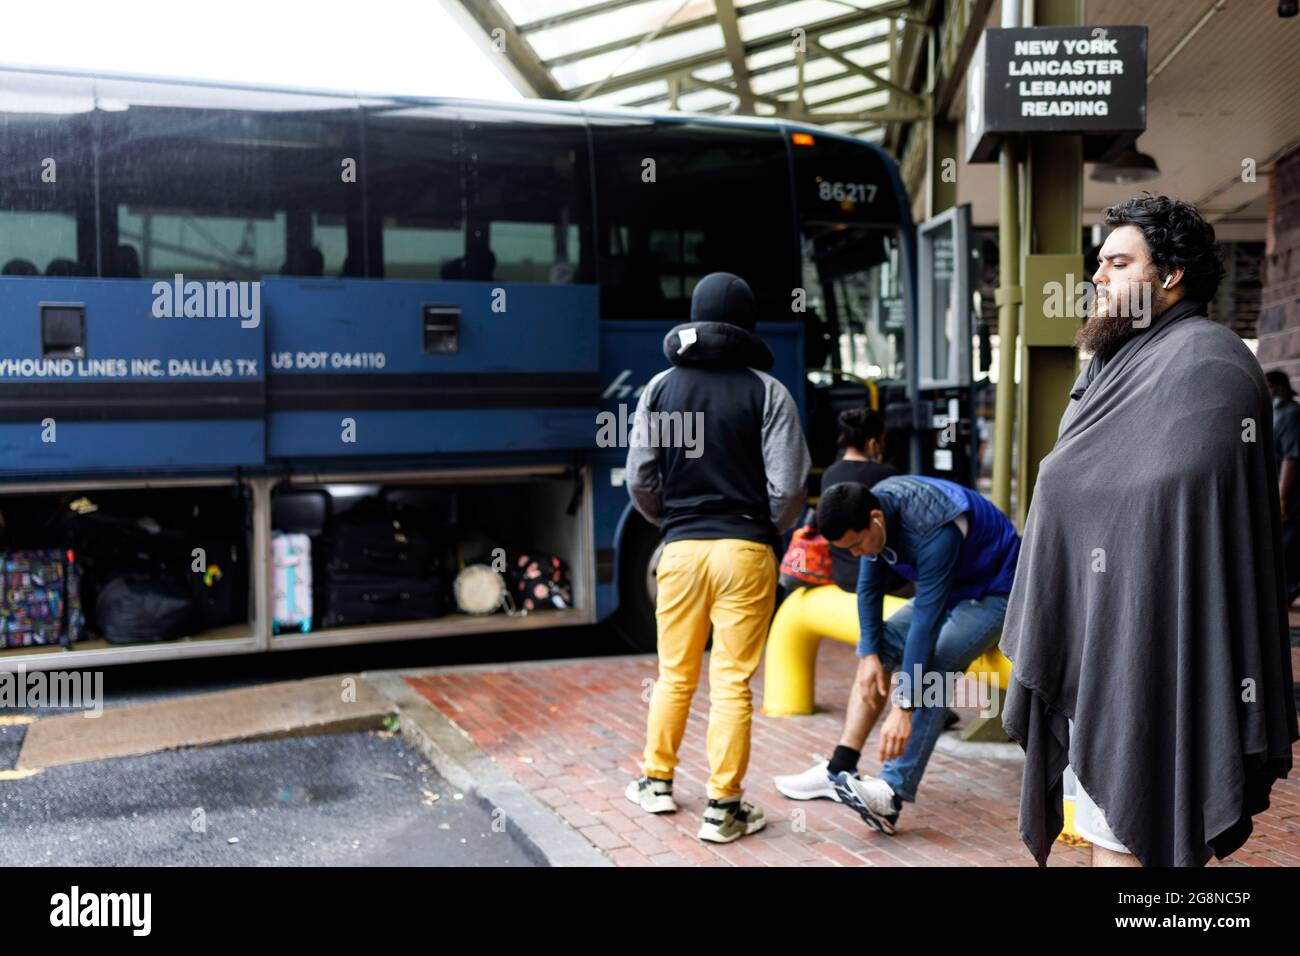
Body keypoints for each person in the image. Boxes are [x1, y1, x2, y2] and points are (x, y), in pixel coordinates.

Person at [1001, 194, 1298, 867]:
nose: (1097, 277)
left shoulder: (1210, 364)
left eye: (1116, 262)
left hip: (1158, 645)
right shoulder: (1114, 363)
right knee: (1097, 825)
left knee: (1125, 836)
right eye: (1097, 263)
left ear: (1170, 275)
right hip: (1094, 630)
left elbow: (1179, 505)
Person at [624, 271, 811, 844]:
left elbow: (640, 477)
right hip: (745, 549)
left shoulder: (660, 388)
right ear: (748, 325)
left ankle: (656, 782)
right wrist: (762, 528)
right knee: (731, 683)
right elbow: (788, 488)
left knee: (673, 675)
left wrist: (671, 522)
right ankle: (722, 809)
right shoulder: (767, 392)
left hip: (679, 550)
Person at [774, 475, 1020, 835]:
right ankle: (839, 768)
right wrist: (869, 653)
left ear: (876, 518)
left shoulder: (936, 529)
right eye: (850, 550)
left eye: (858, 545)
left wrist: (904, 706)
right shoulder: (873, 517)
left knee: (937, 666)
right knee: (882, 644)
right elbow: (868, 587)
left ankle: (890, 795)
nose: (858, 554)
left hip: (995, 591)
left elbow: (927, 622)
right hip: (951, 586)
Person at [820, 407, 896, 593]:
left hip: (842, 578)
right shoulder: (886, 474)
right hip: (885, 583)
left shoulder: (829, 474)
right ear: (872, 443)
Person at [1266, 369, 1300, 604]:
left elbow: (1291, 458)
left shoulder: (1291, 415)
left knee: (1288, 546)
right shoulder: (1278, 413)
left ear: (1277, 387)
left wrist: (1281, 496)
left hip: (1292, 494)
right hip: (1283, 490)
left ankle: (1287, 592)